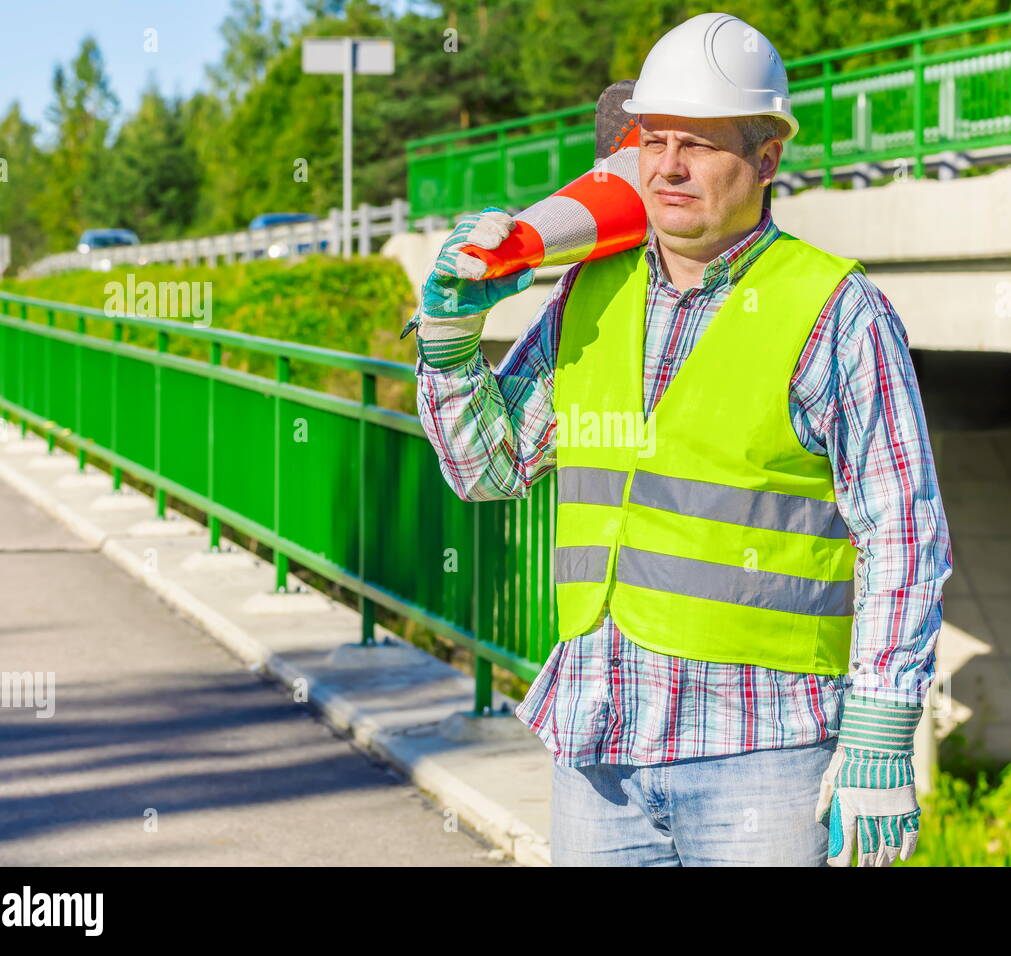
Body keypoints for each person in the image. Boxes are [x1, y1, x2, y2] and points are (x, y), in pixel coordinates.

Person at [401, 11, 952, 867]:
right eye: (653, 140)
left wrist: (880, 735)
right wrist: (450, 344)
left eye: (699, 142)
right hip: (600, 747)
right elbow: (490, 469)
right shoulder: (589, 294)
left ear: (766, 159)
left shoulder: (834, 310)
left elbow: (904, 532)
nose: (668, 165)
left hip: (764, 756)